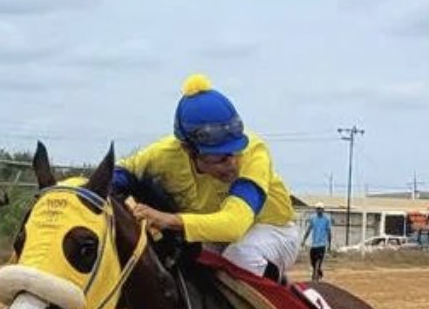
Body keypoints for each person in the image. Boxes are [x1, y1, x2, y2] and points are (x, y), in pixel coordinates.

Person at [113, 74, 299, 280]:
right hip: (214, 238)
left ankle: (279, 295)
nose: (233, 165)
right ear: (188, 149)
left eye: (235, 153)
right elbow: (120, 173)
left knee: (240, 256)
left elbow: (234, 225)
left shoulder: (255, 153)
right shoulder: (163, 155)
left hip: (273, 231)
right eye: (221, 159)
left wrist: (168, 219)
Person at [303, 203, 332, 280]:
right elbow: (309, 229)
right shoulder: (313, 218)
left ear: (323, 210)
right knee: (312, 262)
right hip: (314, 244)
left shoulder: (326, 219)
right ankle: (319, 272)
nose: (319, 210)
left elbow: (329, 231)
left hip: (322, 244)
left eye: (320, 208)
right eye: (317, 208)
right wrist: (304, 240)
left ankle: (315, 276)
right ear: (316, 209)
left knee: (318, 261)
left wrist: (329, 244)